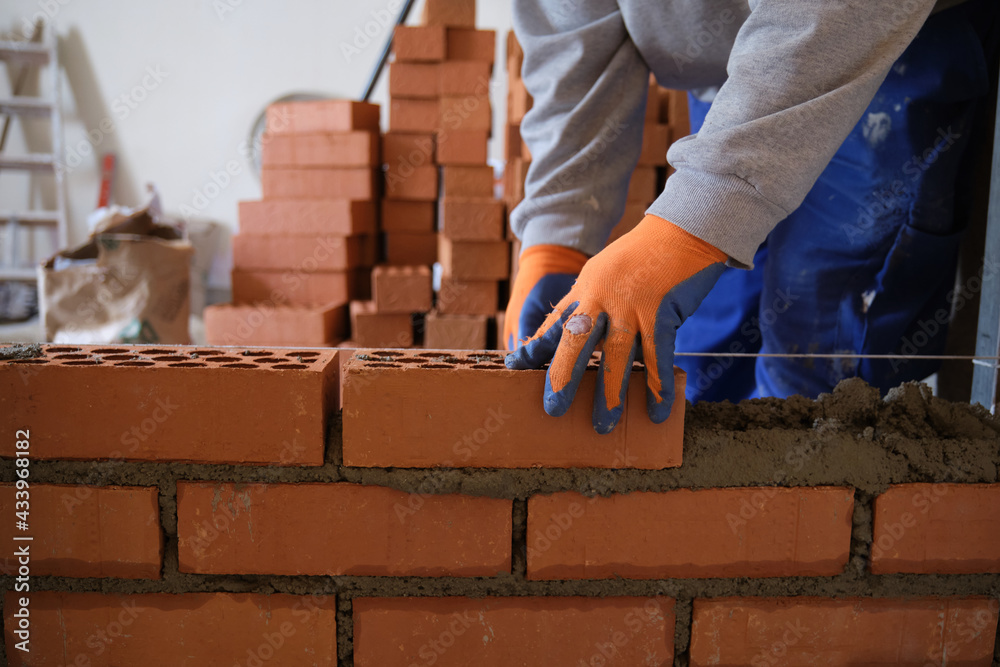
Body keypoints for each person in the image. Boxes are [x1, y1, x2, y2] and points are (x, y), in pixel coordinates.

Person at [503, 0, 999, 433]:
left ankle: (816, 530)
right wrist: (556, 237)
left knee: (818, 366)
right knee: (695, 365)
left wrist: (700, 216)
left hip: (877, 43)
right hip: (728, 79)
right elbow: (569, 31)